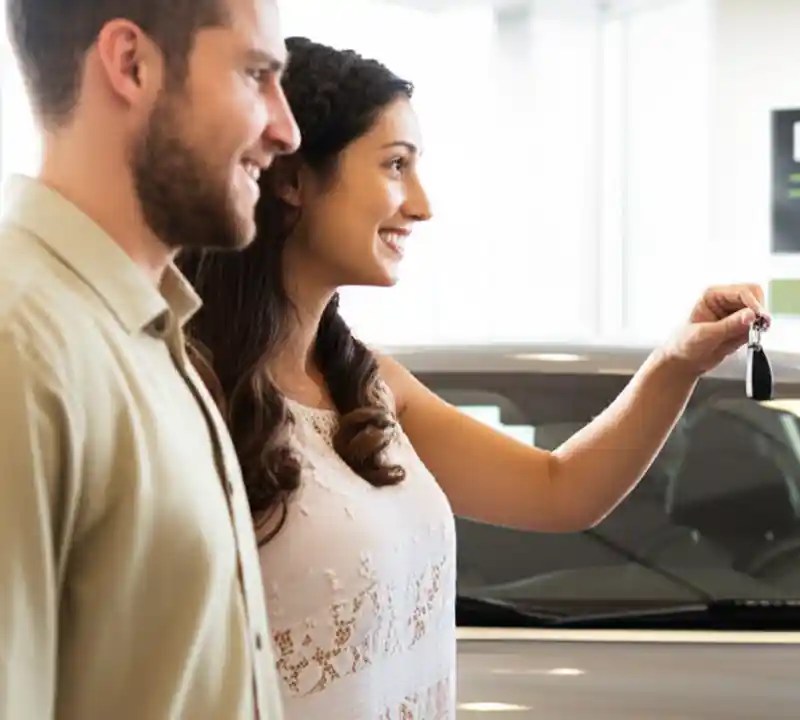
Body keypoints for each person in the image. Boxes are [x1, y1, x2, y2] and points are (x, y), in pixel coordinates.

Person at [174, 36, 769, 719]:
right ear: (292, 177)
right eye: (395, 165)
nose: (421, 205)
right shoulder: (188, 395)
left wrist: (678, 361)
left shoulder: (371, 385)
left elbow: (561, 491)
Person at [0, 0, 301, 718]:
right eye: (255, 74)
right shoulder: (21, 348)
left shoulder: (146, 335)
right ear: (132, 64)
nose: (285, 130)